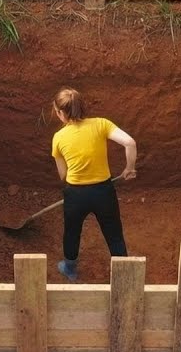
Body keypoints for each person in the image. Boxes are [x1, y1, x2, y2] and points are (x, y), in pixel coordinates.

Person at [49, 87, 137, 281]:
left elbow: (63, 175)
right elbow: (130, 143)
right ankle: (124, 274)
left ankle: (70, 269)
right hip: (103, 192)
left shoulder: (58, 138)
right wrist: (129, 169)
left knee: (72, 232)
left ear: (61, 113)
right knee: (113, 233)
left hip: (75, 195)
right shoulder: (101, 124)